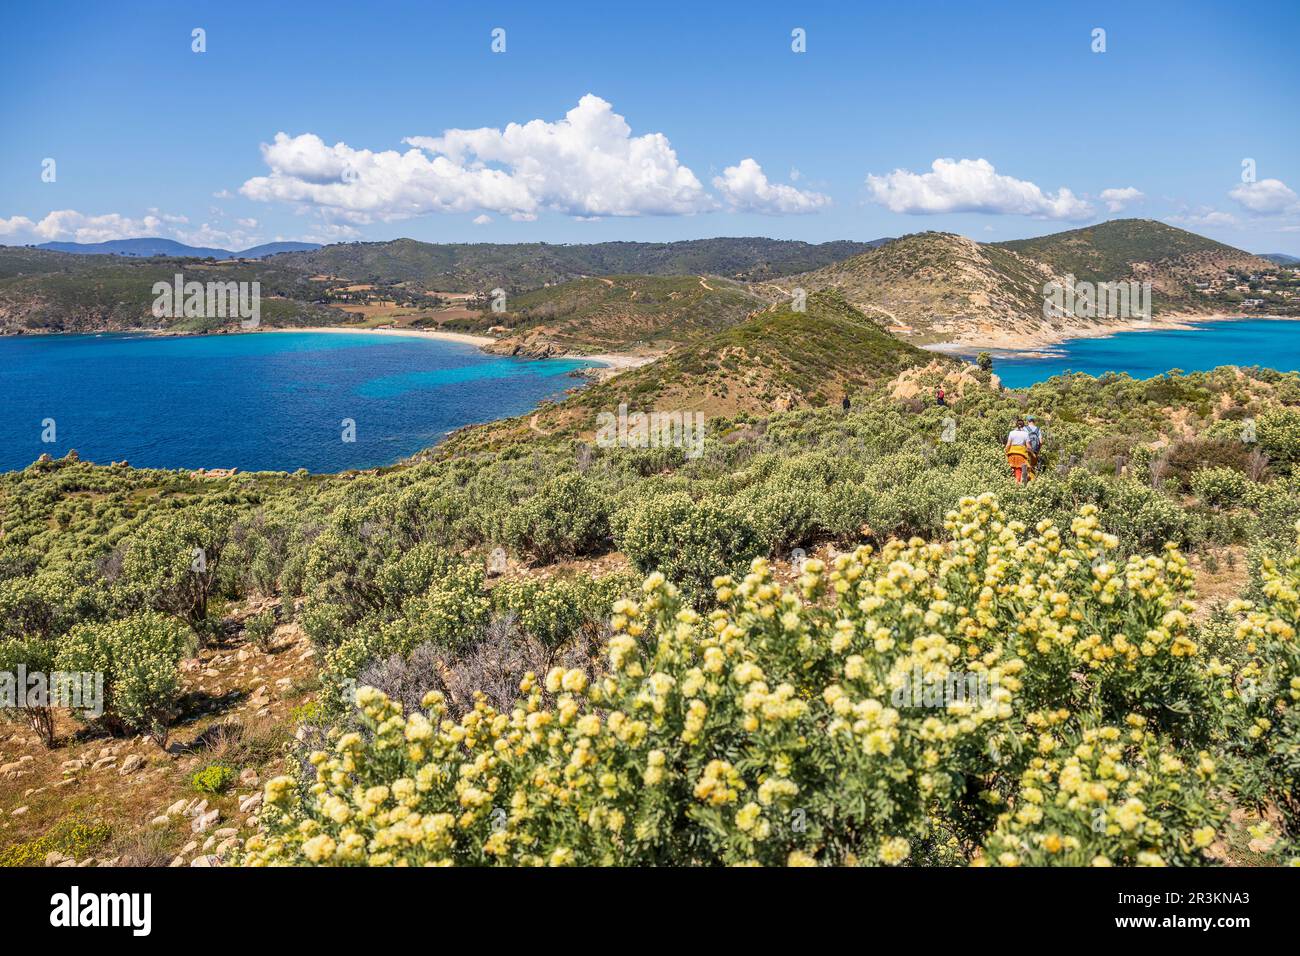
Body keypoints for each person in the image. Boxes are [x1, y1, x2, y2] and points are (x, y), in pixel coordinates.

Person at [1005, 417, 1032, 483]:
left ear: (1016, 425)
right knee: (1019, 470)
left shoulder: (1011, 433)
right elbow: (1028, 447)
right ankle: (1018, 484)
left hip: (1012, 454)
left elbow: (1008, 444)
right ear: (1023, 425)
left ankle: (1013, 484)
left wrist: (1006, 451)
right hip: (1021, 455)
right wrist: (1031, 452)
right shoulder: (1026, 434)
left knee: (1013, 469)